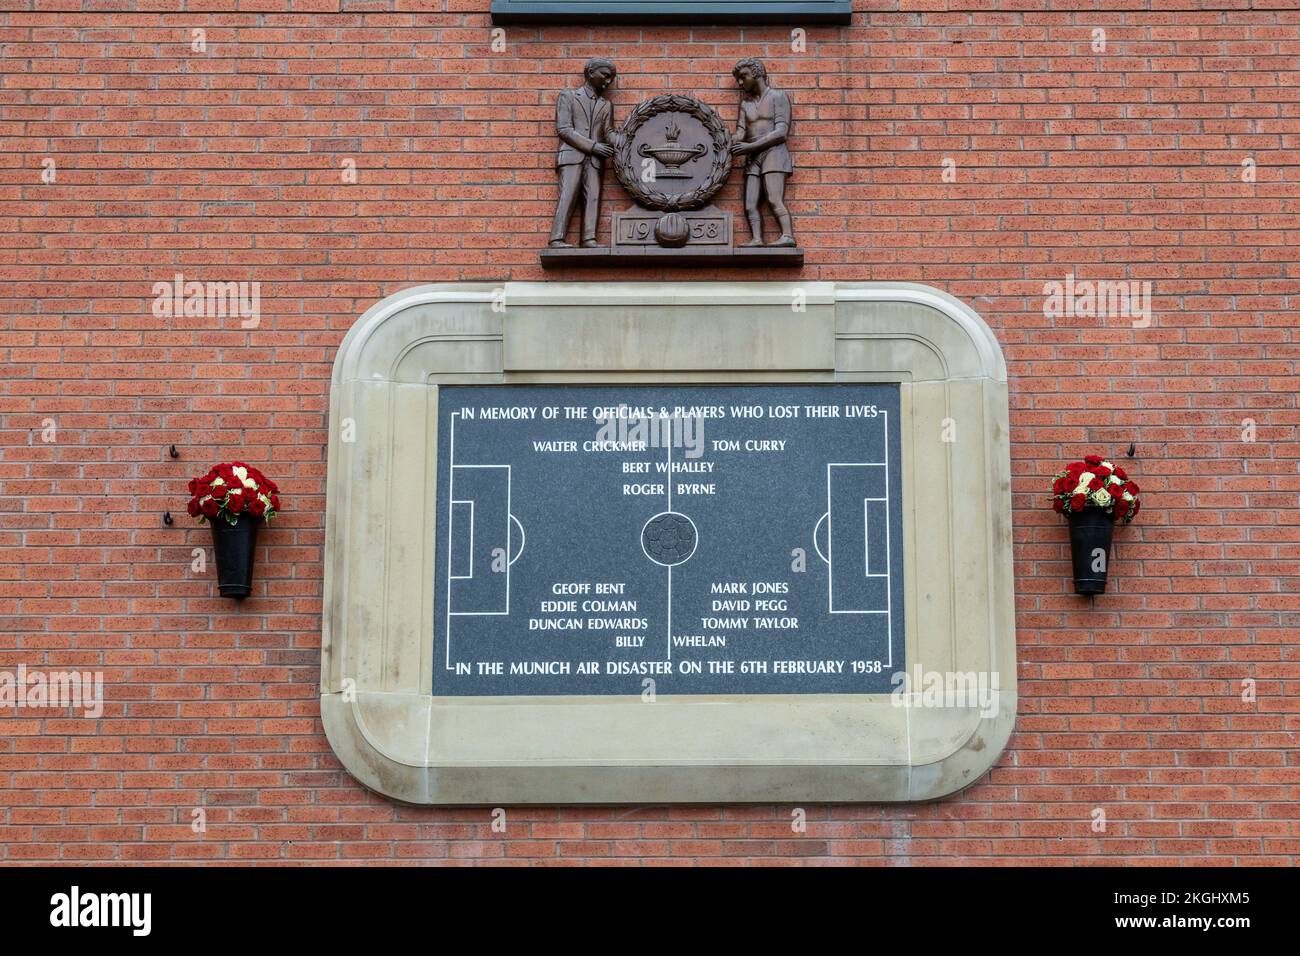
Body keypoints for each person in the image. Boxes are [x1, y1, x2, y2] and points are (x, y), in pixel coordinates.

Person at [549, 57, 622, 248]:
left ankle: (588, 238)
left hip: (595, 162)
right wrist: (593, 146)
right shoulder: (569, 96)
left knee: (593, 197)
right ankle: (557, 238)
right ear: (590, 72)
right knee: (568, 194)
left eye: (611, 79)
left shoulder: (606, 105)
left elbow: (609, 133)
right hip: (572, 157)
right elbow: (564, 129)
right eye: (605, 76)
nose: (607, 82)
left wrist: (624, 141)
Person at [729, 57, 795, 248]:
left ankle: (788, 236)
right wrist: (723, 139)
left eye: (743, 77)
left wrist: (750, 147)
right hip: (753, 158)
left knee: (774, 199)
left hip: (774, 154)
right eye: (738, 80)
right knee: (750, 204)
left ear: (756, 73)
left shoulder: (778, 97)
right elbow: (741, 133)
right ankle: (757, 239)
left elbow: (782, 132)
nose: (741, 83)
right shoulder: (745, 104)